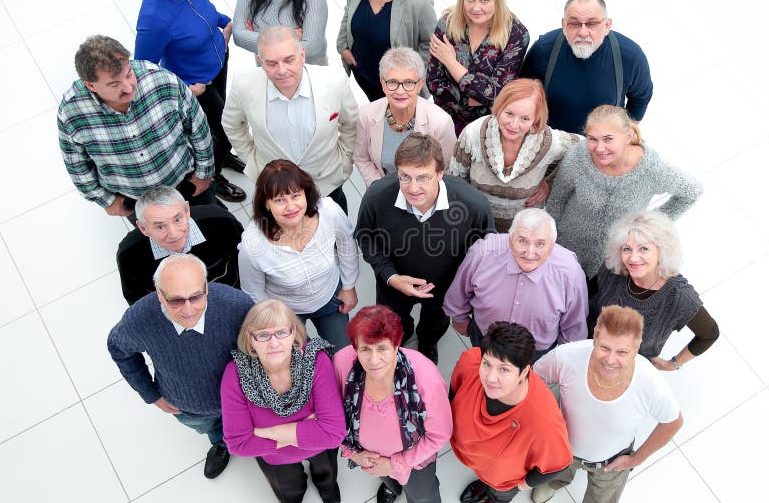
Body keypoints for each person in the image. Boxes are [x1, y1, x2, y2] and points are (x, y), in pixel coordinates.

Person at [532, 305, 683, 503]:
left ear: (636, 347)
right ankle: (555, 483)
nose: (610, 359)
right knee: (559, 471)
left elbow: (673, 422)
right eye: (604, 347)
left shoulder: (651, 383)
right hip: (563, 446)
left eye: (622, 351)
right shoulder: (567, 357)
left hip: (613, 459)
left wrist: (637, 459)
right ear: (595, 335)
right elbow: (533, 381)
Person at [107, 254, 254, 479]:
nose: (188, 310)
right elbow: (118, 348)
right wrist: (150, 394)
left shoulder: (237, 304)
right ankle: (221, 444)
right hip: (187, 407)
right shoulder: (140, 319)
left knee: (248, 428)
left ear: (206, 288)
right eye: (175, 300)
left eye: (196, 297)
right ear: (159, 295)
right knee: (213, 430)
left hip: (240, 399)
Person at [355, 133, 495, 364]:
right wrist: (391, 277)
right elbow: (365, 237)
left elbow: (485, 250)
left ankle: (428, 343)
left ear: (441, 173)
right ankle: (405, 334)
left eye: (423, 178)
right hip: (393, 284)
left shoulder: (472, 204)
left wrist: (465, 289)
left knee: (435, 323)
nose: (413, 188)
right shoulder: (377, 197)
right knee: (394, 320)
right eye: (405, 177)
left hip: (445, 287)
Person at [134, 0, 246, 203]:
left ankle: (223, 153)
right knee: (225, 127)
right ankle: (213, 174)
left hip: (219, 61)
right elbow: (143, 71)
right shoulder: (153, 19)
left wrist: (225, 22)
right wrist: (184, 88)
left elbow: (202, 10)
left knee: (222, 126)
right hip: (195, 84)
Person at [58, 35, 217, 219]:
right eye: (114, 84)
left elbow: (197, 126)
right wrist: (106, 200)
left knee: (212, 226)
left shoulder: (161, 80)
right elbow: (76, 164)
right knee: (165, 245)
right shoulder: (71, 112)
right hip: (136, 203)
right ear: (90, 85)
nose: (128, 87)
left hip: (186, 184)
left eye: (128, 74)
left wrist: (204, 173)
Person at [220, 299, 345, 503]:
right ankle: (292, 500)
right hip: (276, 458)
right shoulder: (235, 375)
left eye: (281, 332)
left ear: (294, 333)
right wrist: (307, 427)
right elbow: (238, 445)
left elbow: (335, 433)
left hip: (314, 449)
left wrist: (267, 432)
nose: (274, 342)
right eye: (263, 335)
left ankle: (326, 485)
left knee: (326, 470)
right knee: (288, 487)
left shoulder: (316, 360)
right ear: (250, 339)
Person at [334, 305, 452, 503]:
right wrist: (352, 454)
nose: (374, 359)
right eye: (365, 349)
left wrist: (396, 464)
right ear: (355, 346)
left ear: (397, 345)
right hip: (367, 454)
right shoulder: (342, 362)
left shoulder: (424, 377)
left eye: (382, 349)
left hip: (413, 460)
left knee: (423, 493)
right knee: (384, 475)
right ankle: (392, 485)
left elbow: (439, 435)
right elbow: (333, 416)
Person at [545, 105, 702, 279]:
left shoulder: (652, 169)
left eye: (608, 139)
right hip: (564, 249)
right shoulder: (578, 156)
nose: (599, 148)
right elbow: (556, 201)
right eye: (592, 139)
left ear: (628, 137)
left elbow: (692, 191)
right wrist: (549, 241)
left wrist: (646, 228)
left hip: (611, 264)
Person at [222, 26, 358, 214]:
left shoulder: (334, 80)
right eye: (271, 63)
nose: (282, 70)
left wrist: (345, 162)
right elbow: (231, 123)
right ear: (260, 61)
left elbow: (351, 124)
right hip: (277, 189)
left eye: (289, 60)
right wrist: (252, 161)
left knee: (336, 232)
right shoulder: (243, 85)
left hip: (326, 183)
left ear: (302, 54)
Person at [450, 322, 572, 503]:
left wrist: (522, 485)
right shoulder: (470, 361)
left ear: (525, 372)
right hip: (477, 460)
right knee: (486, 475)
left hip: (506, 477)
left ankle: (496, 500)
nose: (490, 378)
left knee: (501, 490)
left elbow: (557, 465)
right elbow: (453, 395)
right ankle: (484, 481)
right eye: (487, 363)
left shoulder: (544, 421)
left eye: (504, 369)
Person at [238, 160, 359, 349]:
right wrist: (275, 322)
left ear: (306, 193)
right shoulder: (252, 244)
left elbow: (347, 245)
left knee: (344, 352)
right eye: (279, 200)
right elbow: (253, 292)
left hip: (330, 296)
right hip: (286, 312)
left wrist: (349, 285)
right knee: (300, 364)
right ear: (266, 204)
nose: (290, 206)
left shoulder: (328, 211)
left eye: (296, 195)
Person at [444, 208, 588, 358]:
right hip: (484, 337)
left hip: (535, 353)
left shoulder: (570, 273)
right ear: (510, 238)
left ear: (552, 245)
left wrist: (563, 359)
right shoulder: (483, 251)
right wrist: (459, 318)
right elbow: (459, 290)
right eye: (522, 241)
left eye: (540, 244)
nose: (530, 252)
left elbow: (574, 328)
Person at [592, 211, 719, 368]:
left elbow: (710, 334)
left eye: (643, 249)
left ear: (661, 251)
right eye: (627, 249)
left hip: (626, 370)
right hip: (585, 350)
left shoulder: (679, 296)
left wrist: (673, 363)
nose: (633, 257)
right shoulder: (614, 269)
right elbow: (586, 297)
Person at [449, 78, 578, 231]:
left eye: (525, 118)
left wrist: (550, 183)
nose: (514, 125)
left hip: (523, 231)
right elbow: (456, 180)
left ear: (535, 119)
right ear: (499, 107)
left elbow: (582, 148)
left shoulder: (549, 142)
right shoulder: (474, 133)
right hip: (476, 223)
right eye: (509, 113)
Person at [520, 0, 653, 135]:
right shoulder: (544, 49)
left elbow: (641, 98)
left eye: (592, 23)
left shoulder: (630, 56)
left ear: (607, 25)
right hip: (550, 139)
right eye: (575, 23)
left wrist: (619, 135)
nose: (583, 32)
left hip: (599, 146)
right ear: (564, 25)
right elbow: (521, 91)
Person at [426, 0, 529, 135]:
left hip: (488, 127)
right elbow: (433, 81)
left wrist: (452, 64)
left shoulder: (516, 34)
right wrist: (474, 97)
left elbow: (496, 95)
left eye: (485, 0)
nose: (476, 7)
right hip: (445, 121)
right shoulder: (448, 23)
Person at [337, 0, 436, 102]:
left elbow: (430, 44)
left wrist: (409, 79)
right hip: (363, 74)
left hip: (398, 87)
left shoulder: (419, 1)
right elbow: (349, 9)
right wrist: (342, 46)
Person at [116, 186, 243, 305]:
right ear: (143, 228)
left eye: (177, 220)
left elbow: (245, 262)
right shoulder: (129, 255)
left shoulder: (221, 222)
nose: (174, 234)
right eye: (160, 226)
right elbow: (140, 304)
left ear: (187, 211)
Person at [353, 47, 455, 187]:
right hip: (382, 193)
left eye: (408, 83)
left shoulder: (441, 123)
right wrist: (380, 188)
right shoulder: (366, 114)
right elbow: (361, 158)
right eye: (393, 82)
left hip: (423, 195)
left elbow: (447, 169)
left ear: (420, 85)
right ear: (383, 84)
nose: (400, 91)